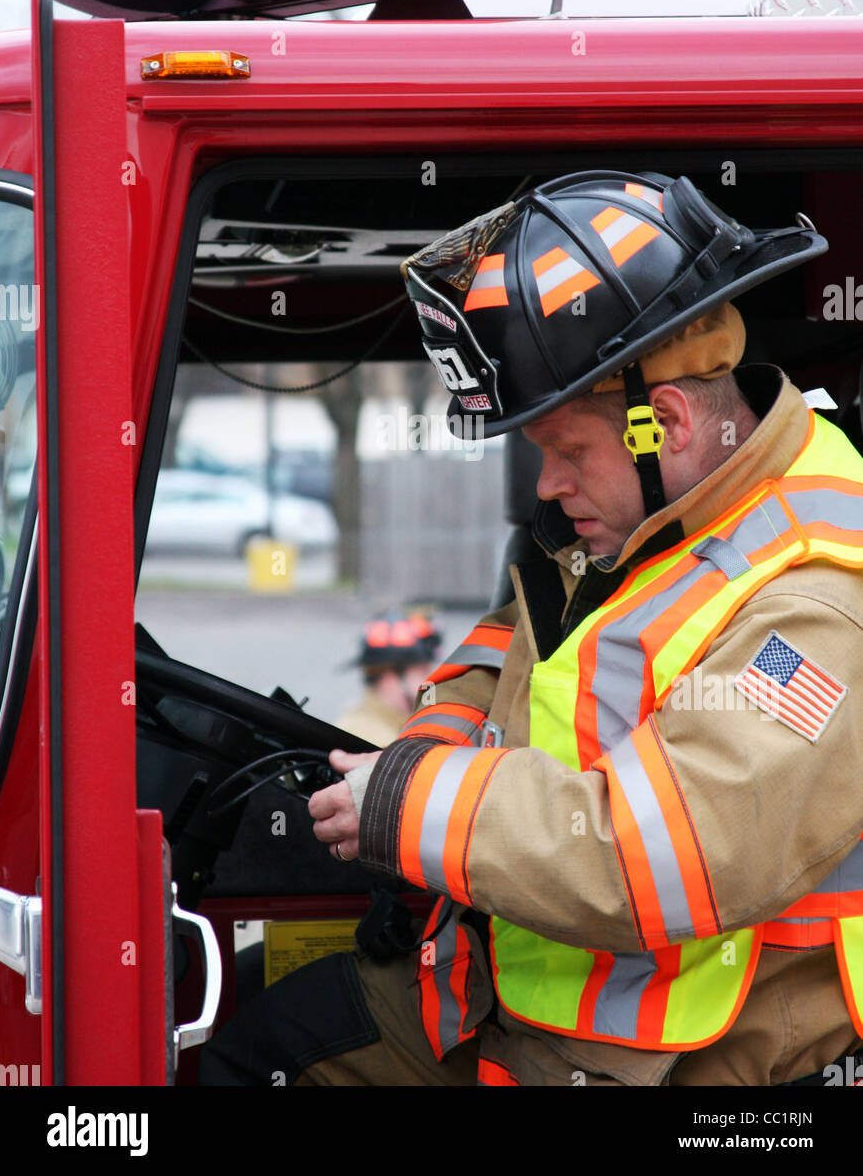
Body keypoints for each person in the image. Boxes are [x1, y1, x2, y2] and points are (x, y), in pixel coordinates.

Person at [199, 170, 863, 1087]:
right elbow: (514, 649)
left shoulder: (819, 600)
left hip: (675, 1064)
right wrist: (422, 756)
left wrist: (415, 807)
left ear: (659, 421)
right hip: (507, 1000)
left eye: (565, 451)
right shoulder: (662, 519)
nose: (547, 485)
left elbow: (653, 860)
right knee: (256, 1038)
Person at [336, 611, 442, 747]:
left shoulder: (395, 724)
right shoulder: (373, 742)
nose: (433, 681)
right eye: (423, 671)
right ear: (389, 676)